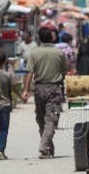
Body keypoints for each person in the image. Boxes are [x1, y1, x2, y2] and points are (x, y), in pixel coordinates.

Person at [21, 27, 69, 159]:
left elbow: (29, 73)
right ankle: (45, 146)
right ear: (52, 38)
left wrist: (25, 91)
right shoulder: (59, 53)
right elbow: (65, 69)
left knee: (42, 119)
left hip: (39, 89)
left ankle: (46, 148)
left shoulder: (35, 53)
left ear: (39, 38)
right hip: (54, 89)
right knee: (50, 120)